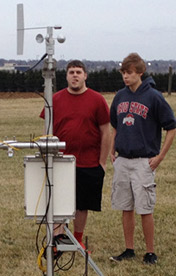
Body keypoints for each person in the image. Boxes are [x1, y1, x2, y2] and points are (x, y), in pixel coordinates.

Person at [107, 53, 176, 265]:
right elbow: (114, 125)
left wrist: (160, 156)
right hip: (123, 159)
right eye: (123, 73)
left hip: (143, 160)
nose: (125, 77)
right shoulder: (120, 96)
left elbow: (171, 127)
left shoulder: (154, 97)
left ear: (140, 72)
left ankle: (150, 251)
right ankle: (129, 249)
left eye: (129, 72)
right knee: (125, 206)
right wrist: (112, 149)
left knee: (145, 208)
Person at [39, 60, 112, 246]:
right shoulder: (55, 99)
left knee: (82, 205)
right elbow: (46, 128)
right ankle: (57, 238)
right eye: (71, 72)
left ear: (85, 75)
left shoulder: (97, 100)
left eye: (78, 72)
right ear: (66, 76)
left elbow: (106, 131)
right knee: (58, 201)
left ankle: (77, 240)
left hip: (88, 162)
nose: (75, 75)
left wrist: (102, 162)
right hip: (60, 161)